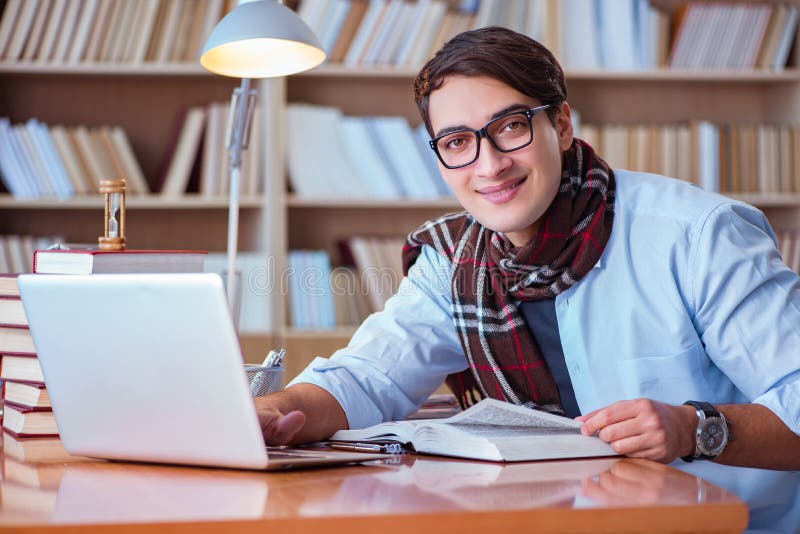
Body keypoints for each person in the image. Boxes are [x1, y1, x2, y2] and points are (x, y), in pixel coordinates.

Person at [256, 27, 800, 470]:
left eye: (511, 127)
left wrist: (694, 429)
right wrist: (274, 412)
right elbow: (367, 378)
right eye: (458, 142)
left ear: (561, 125)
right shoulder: (454, 259)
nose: (489, 166)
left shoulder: (698, 234)